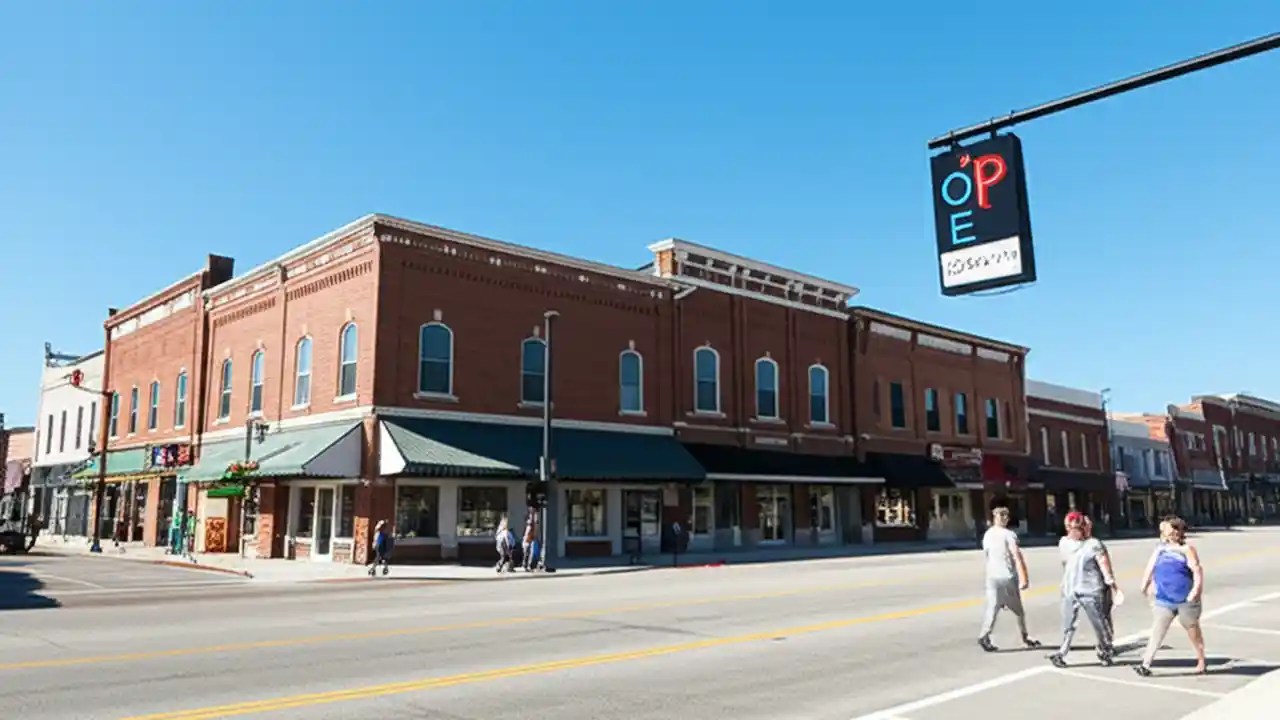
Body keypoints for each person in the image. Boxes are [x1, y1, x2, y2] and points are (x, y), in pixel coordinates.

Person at [1134, 516, 1206, 676]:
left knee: (1192, 630)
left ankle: (1201, 658)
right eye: (1169, 530)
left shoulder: (1187, 550)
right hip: (1164, 598)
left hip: (1185, 598)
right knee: (1157, 631)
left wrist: (1196, 590)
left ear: (1180, 532)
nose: (1171, 533)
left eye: (1175, 530)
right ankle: (1145, 665)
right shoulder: (1160, 549)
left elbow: (1197, 571)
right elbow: (1150, 567)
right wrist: (1144, 584)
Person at [1049, 511, 1119, 668]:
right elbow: (1065, 564)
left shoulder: (1094, 544)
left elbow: (1104, 566)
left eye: (1077, 527)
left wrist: (1111, 584)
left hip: (1091, 591)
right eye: (1070, 527)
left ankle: (1105, 650)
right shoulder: (1064, 543)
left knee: (1099, 623)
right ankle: (1062, 652)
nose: (1073, 531)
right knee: (1068, 623)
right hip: (1070, 589)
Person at [978, 507, 1040, 652]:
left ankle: (985, 634)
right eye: (1001, 515)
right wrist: (1024, 577)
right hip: (1006, 577)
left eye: (1006, 515)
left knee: (994, 607)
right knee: (1017, 611)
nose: (1004, 518)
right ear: (994, 516)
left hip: (993, 577)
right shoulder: (1007, 534)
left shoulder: (989, 534)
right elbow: (1016, 555)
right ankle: (1023, 637)